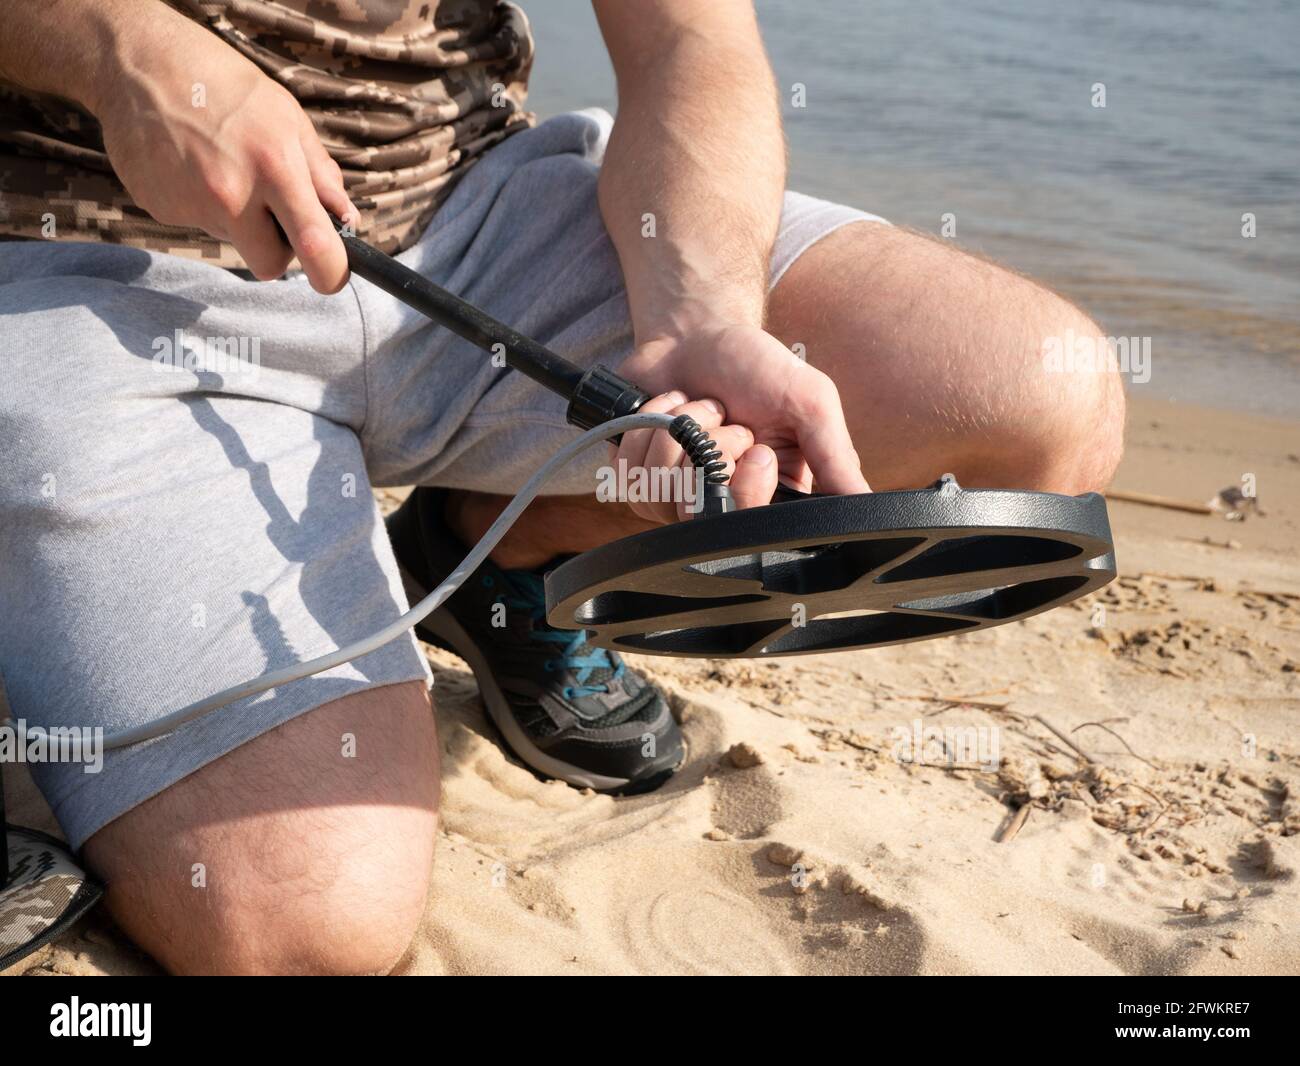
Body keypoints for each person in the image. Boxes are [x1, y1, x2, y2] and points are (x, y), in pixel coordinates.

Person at [0, 0, 1124, 974]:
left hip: (480, 209)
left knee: (1040, 401)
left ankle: (502, 547)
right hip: (91, 276)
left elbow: (689, 38)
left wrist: (697, 321)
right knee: (305, 925)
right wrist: (123, 49)